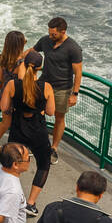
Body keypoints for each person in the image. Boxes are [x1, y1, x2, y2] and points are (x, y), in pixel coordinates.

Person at [0, 49, 56, 216]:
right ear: (40, 68)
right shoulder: (46, 87)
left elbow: (4, 107)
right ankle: (30, 204)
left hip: (18, 129)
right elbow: (51, 112)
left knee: (11, 163)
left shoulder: (12, 85)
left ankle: (8, 197)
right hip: (38, 130)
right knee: (43, 164)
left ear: (23, 65)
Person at [33, 17, 82, 163]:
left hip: (62, 88)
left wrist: (75, 94)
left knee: (59, 118)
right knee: (35, 112)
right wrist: (17, 58)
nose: (50, 36)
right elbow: (32, 52)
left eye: (54, 34)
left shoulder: (73, 48)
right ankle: (36, 142)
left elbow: (78, 73)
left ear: (63, 32)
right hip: (43, 84)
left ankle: (53, 147)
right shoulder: (45, 41)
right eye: (49, 33)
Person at [0, 30, 26, 153]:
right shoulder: (21, 62)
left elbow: (0, 78)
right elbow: (21, 80)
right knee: (20, 123)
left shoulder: (2, 58)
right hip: (17, 95)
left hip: (5, 94)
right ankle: (16, 149)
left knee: (5, 122)